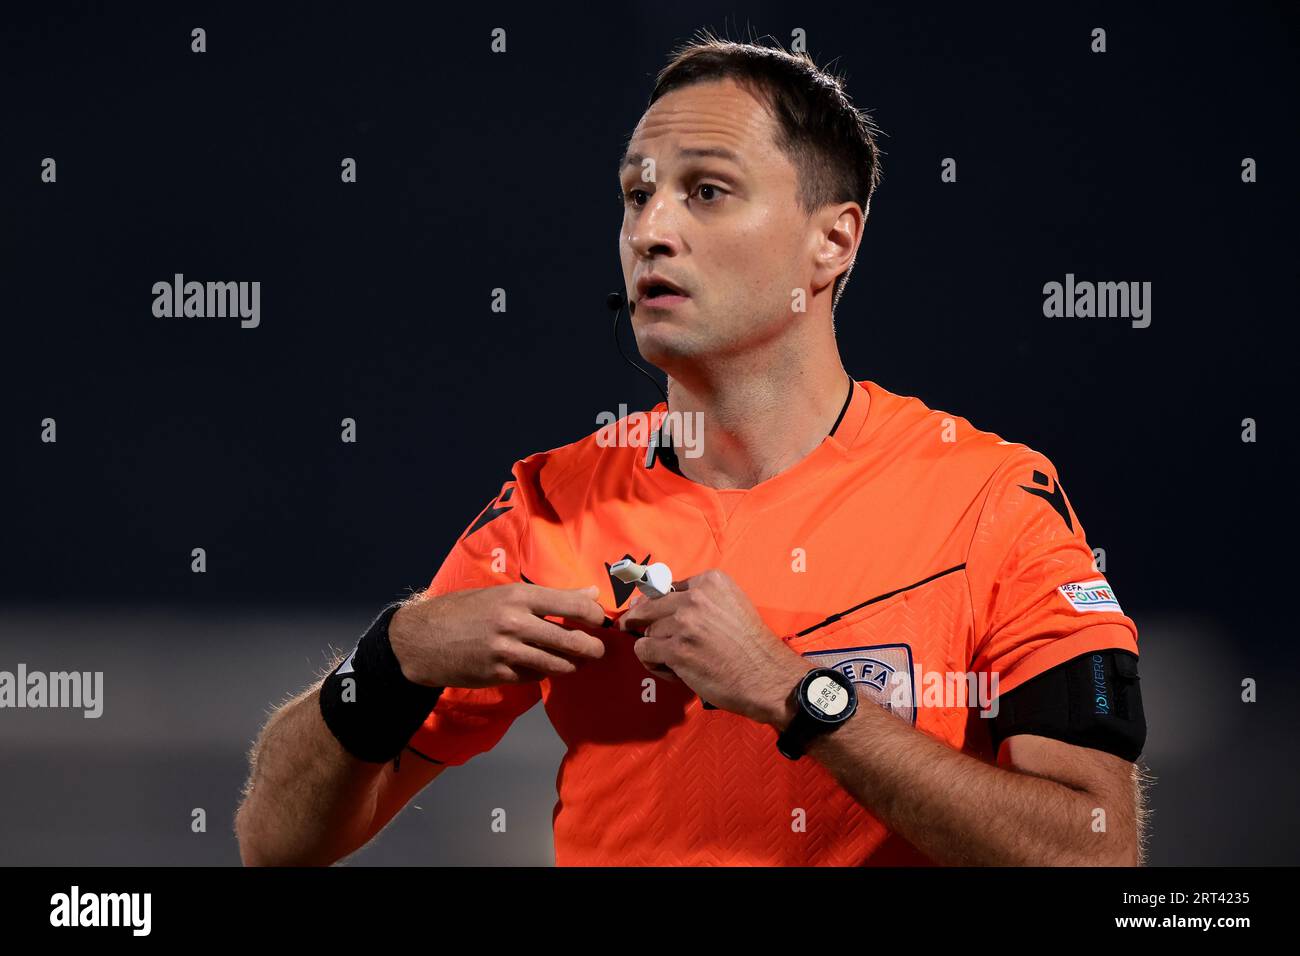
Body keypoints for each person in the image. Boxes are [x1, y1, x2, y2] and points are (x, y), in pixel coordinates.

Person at [236, 35, 1147, 867]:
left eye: (706, 191)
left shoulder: (988, 497)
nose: (649, 231)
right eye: (637, 195)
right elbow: (276, 844)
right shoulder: (551, 505)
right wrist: (389, 658)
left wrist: (801, 697)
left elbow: (1098, 855)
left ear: (834, 239)